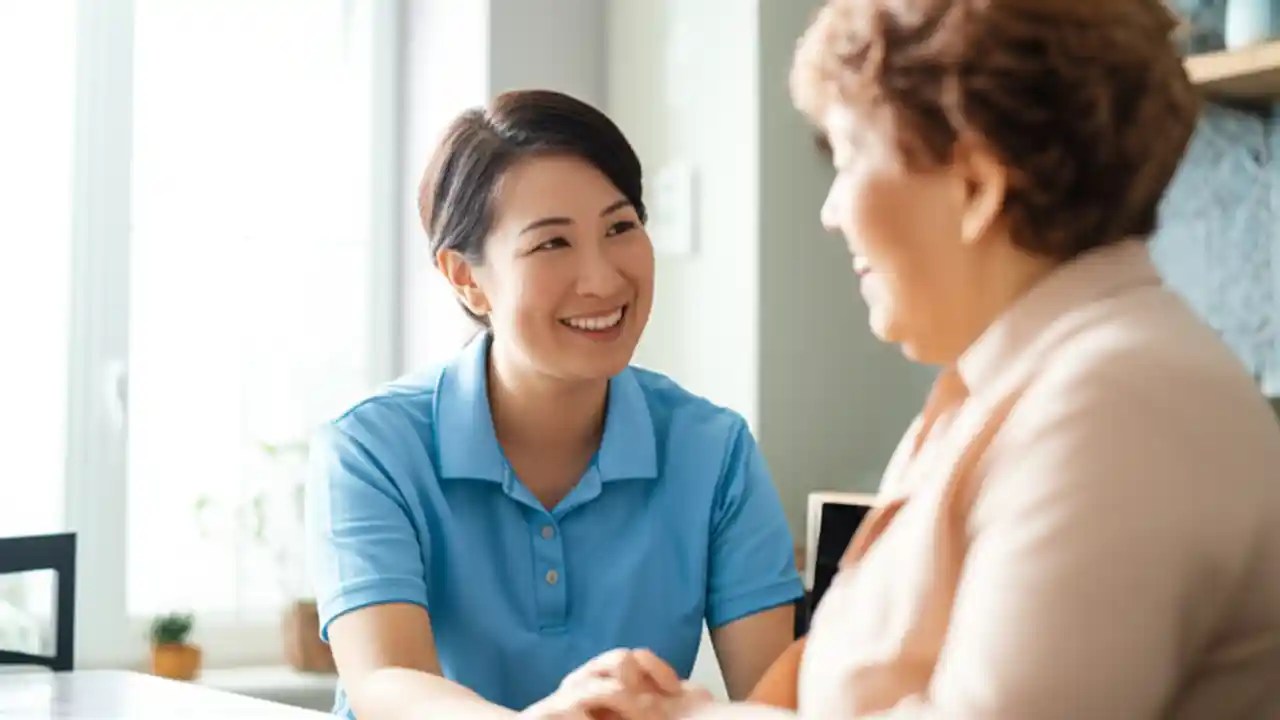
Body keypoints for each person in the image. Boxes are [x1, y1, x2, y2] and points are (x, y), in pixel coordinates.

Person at [671, 0, 1280, 718]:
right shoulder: (1004, 386)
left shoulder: (1116, 408)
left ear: (975, 184)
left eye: (849, 155)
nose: (831, 211)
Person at [306, 89, 803, 719]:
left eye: (621, 227)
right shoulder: (370, 448)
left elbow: (772, 701)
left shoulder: (715, 450)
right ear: (465, 277)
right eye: (552, 244)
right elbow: (387, 683)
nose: (602, 279)